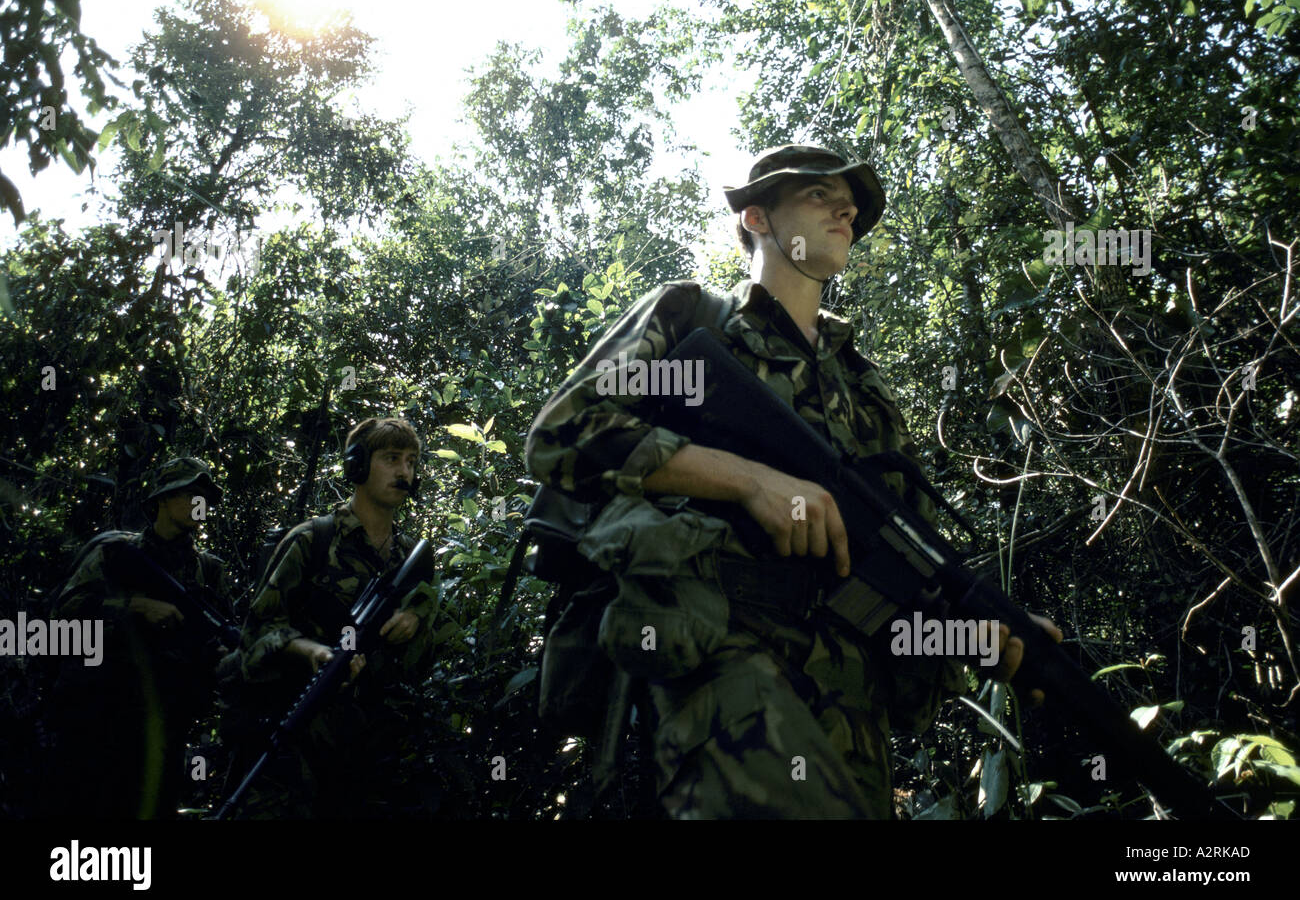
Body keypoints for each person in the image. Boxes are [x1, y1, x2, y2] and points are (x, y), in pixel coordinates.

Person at [525, 143, 1061, 818]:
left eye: (851, 203)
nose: (847, 208)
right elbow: (564, 432)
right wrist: (748, 480)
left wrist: (978, 633)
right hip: (719, 662)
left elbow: (905, 580)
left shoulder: (865, 388)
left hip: (852, 717)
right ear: (756, 217)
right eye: (818, 194)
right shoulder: (696, 321)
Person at [230, 417, 440, 818]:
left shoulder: (414, 560)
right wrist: (312, 652)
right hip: (296, 743)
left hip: (374, 753)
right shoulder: (312, 540)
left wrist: (417, 619)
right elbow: (256, 632)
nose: (404, 472)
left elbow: (432, 653)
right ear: (358, 465)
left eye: (411, 461)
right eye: (391, 458)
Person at [46, 456, 235, 818]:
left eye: (206, 498)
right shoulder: (116, 552)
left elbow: (219, 640)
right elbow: (65, 612)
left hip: (165, 721)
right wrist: (135, 606)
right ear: (162, 499)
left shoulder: (208, 571)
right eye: (191, 494)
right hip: (99, 713)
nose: (201, 504)